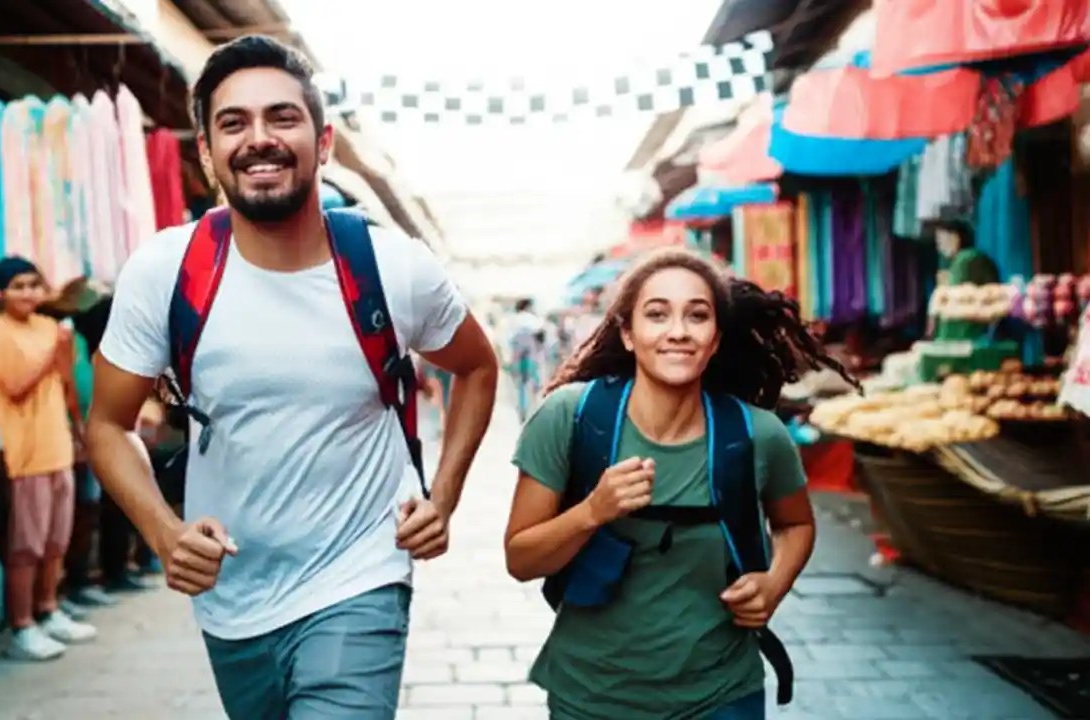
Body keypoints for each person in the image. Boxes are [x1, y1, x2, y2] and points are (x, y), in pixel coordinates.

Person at [86, 35, 498, 719]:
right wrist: (164, 533)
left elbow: (478, 368)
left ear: (323, 141)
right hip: (232, 593)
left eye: (282, 117)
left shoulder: (393, 267)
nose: (259, 139)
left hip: (362, 573)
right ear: (206, 152)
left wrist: (443, 497)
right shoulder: (165, 273)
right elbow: (106, 424)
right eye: (233, 123)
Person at [504, 249, 859, 719]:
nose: (678, 331)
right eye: (656, 314)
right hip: (591, 698)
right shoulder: (570, 418)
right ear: (628, 334)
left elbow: (795, 523)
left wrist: (774, 583)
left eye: (697, 315)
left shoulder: (757, 435)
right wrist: (593, 511)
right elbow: (521, 559)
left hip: (722, 695)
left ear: (715, 340)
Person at [0, 257, 98, 662]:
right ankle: (22, 625)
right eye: (17, 286)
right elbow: (13, 387)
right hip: (25, 452)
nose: (28, 292)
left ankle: (49, 608)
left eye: (33, 284)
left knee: (55, 540)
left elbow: (66, 383)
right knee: (25, 545)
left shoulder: (49, 329)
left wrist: (78, 430)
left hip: (57, 445)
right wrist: (52, 355)